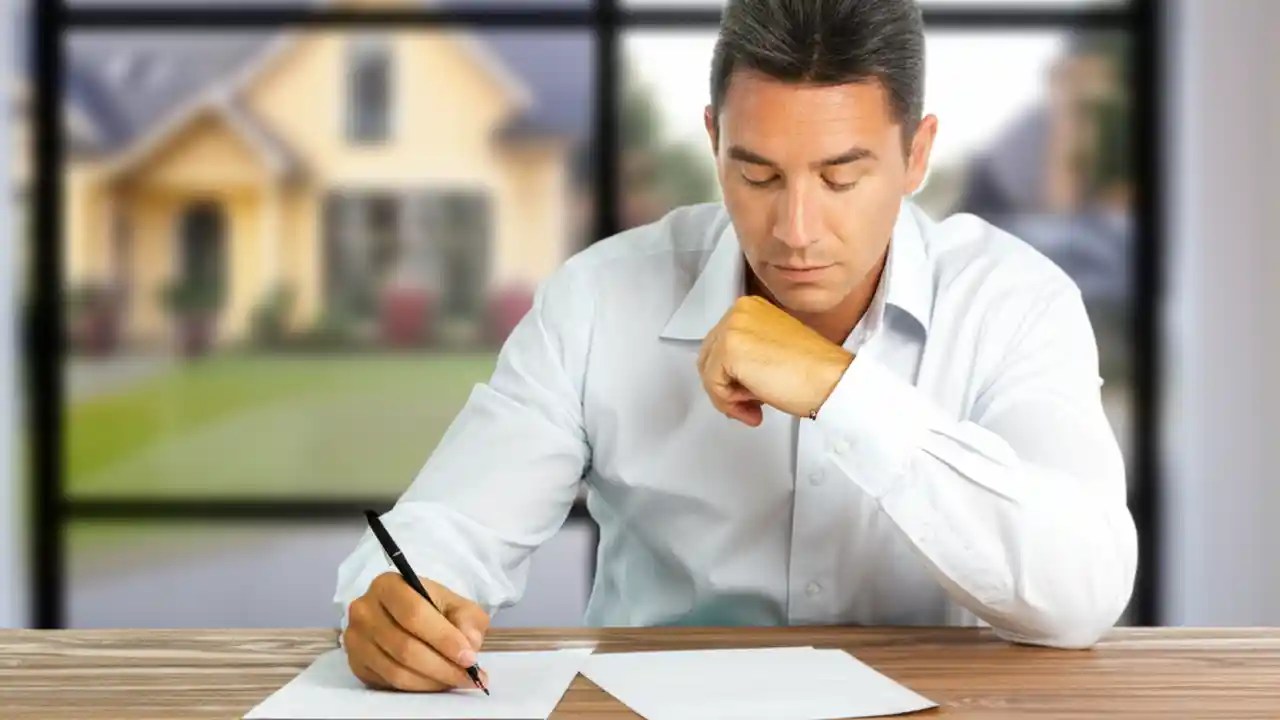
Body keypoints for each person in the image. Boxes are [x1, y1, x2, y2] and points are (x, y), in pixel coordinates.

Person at [335, 0, 1137, 692]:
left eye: (840, 178)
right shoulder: (600, 298)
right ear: (714, 140)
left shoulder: (1014, 303)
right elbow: (450, 529)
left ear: (917, 154)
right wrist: (394, 607)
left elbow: (1081, 590)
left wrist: (840, 389)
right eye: (756, 176)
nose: (793, 232)